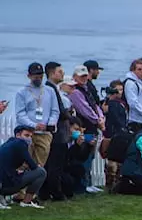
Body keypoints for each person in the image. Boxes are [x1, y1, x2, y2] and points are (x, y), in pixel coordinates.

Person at [68, 65, 105, 193]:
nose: (83, 79)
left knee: (91, 155)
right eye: (80, 76)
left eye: (85, 76)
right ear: (74, 77)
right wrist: (97, 120)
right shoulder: (76, 91)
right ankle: (84, 184)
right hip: (84, 127)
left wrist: (101, 118)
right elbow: (84, 109)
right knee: (84, 155)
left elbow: (94, 105)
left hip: (93, 126)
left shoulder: (87, 89)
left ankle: (89, 182)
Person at [15, 62, 59, 167]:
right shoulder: (22, 92)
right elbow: (20, 114)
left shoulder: (50, 91)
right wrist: (33, 125)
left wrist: (50, 124)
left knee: (39, 164)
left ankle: (36, 182)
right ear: (29, 76)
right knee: (23, 163)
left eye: (40, 76)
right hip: (27, 131)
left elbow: (55, 111)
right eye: (35, 76)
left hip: (44, 133)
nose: (38, 78)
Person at [39, 64, 73, 202]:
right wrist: (68, 114)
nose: (63, 73)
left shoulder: (53, 89)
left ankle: (46, 192)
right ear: (52, 73)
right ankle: (56, 192)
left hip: (58, 133)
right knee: (55, 165)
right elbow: (58, 110)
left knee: (52, 164)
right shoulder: (50, 89)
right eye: (60, 71)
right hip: (57, 134)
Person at [0, 126, 47, 209]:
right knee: (41, 172)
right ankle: (27, 201)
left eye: (31, 136)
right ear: (18, 135)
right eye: (26, 135)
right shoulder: (20, 144)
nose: (29, 138)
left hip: (3, 181)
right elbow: (33, 165)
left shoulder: (9, 143)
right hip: (6, 185)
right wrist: (37, 166)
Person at [102, 80, 128, 191]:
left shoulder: (122, 103)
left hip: (120, 134)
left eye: (121, 89)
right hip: (111, 134)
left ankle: (118, 183)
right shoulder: (109, 103)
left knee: (119, 161)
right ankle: (110, 184)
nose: (119, 92)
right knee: (111, 161)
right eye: (117, 90)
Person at [124, 58, 142, 132]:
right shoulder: (131, 83)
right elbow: (133, 103)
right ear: (133, 70)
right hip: (135, 120)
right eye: (139, 69)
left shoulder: (141, 81)